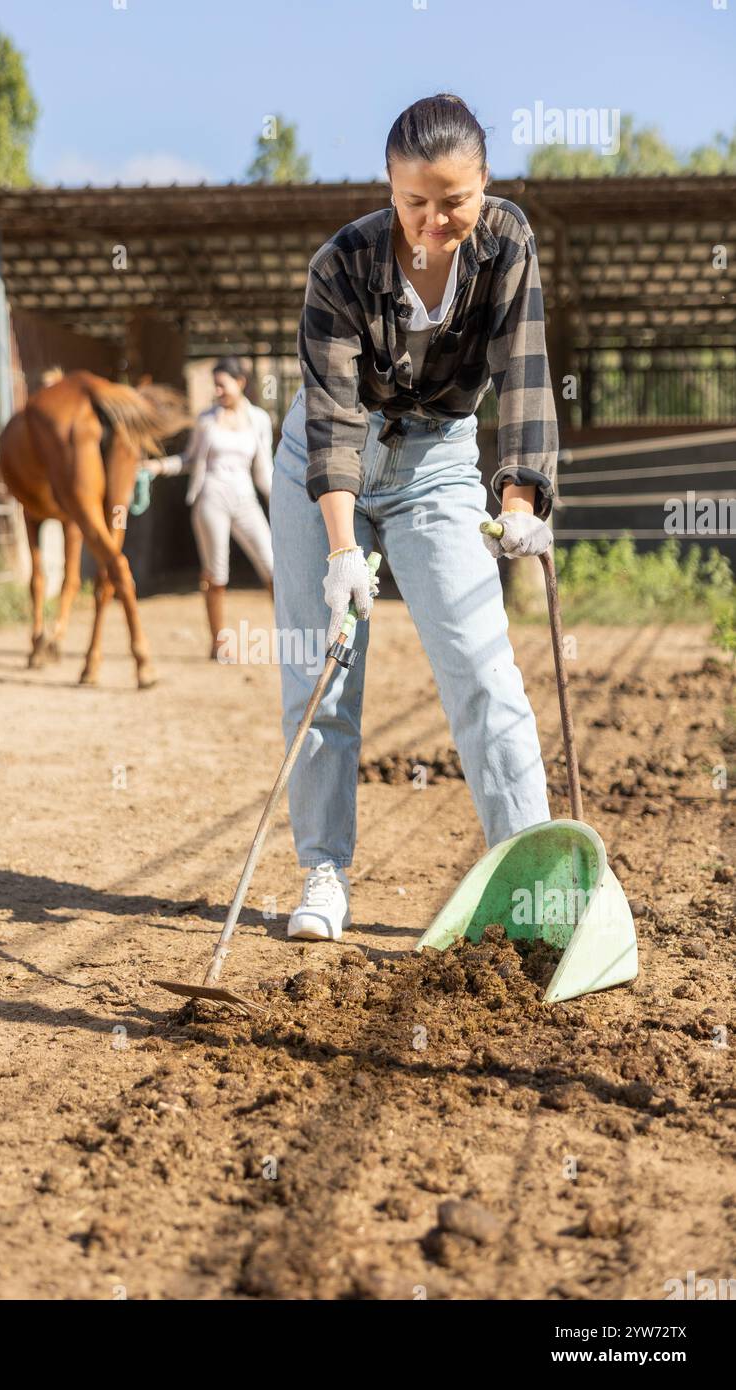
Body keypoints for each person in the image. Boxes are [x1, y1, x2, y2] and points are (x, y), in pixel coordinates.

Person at [271, 93, 558, 942]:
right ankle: (323, 871)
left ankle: (532, 875)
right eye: (413, 203)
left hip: (437, 465)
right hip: (323, 467)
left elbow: (525, 369)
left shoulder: (507, 241)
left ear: (485, 185)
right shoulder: (342, 264)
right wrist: (339, 553)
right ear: (388, 189)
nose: (434, 223)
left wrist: (516, 501)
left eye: (454, 201)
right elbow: (328, 417)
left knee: (481, 666)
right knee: (323, 667)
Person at [151, 356, 275, 658]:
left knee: (273, 566)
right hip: (211, 497)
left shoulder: (259, 419)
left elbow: (265, 471)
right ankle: (219, 642)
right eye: (215, 385)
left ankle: (290, 633)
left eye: (222, 385)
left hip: (245, 498)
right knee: (217, 572)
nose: (217, 391)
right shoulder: (206, 420)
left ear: (240, 383)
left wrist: (284, 503)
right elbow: (190, 460)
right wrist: (158, 467)